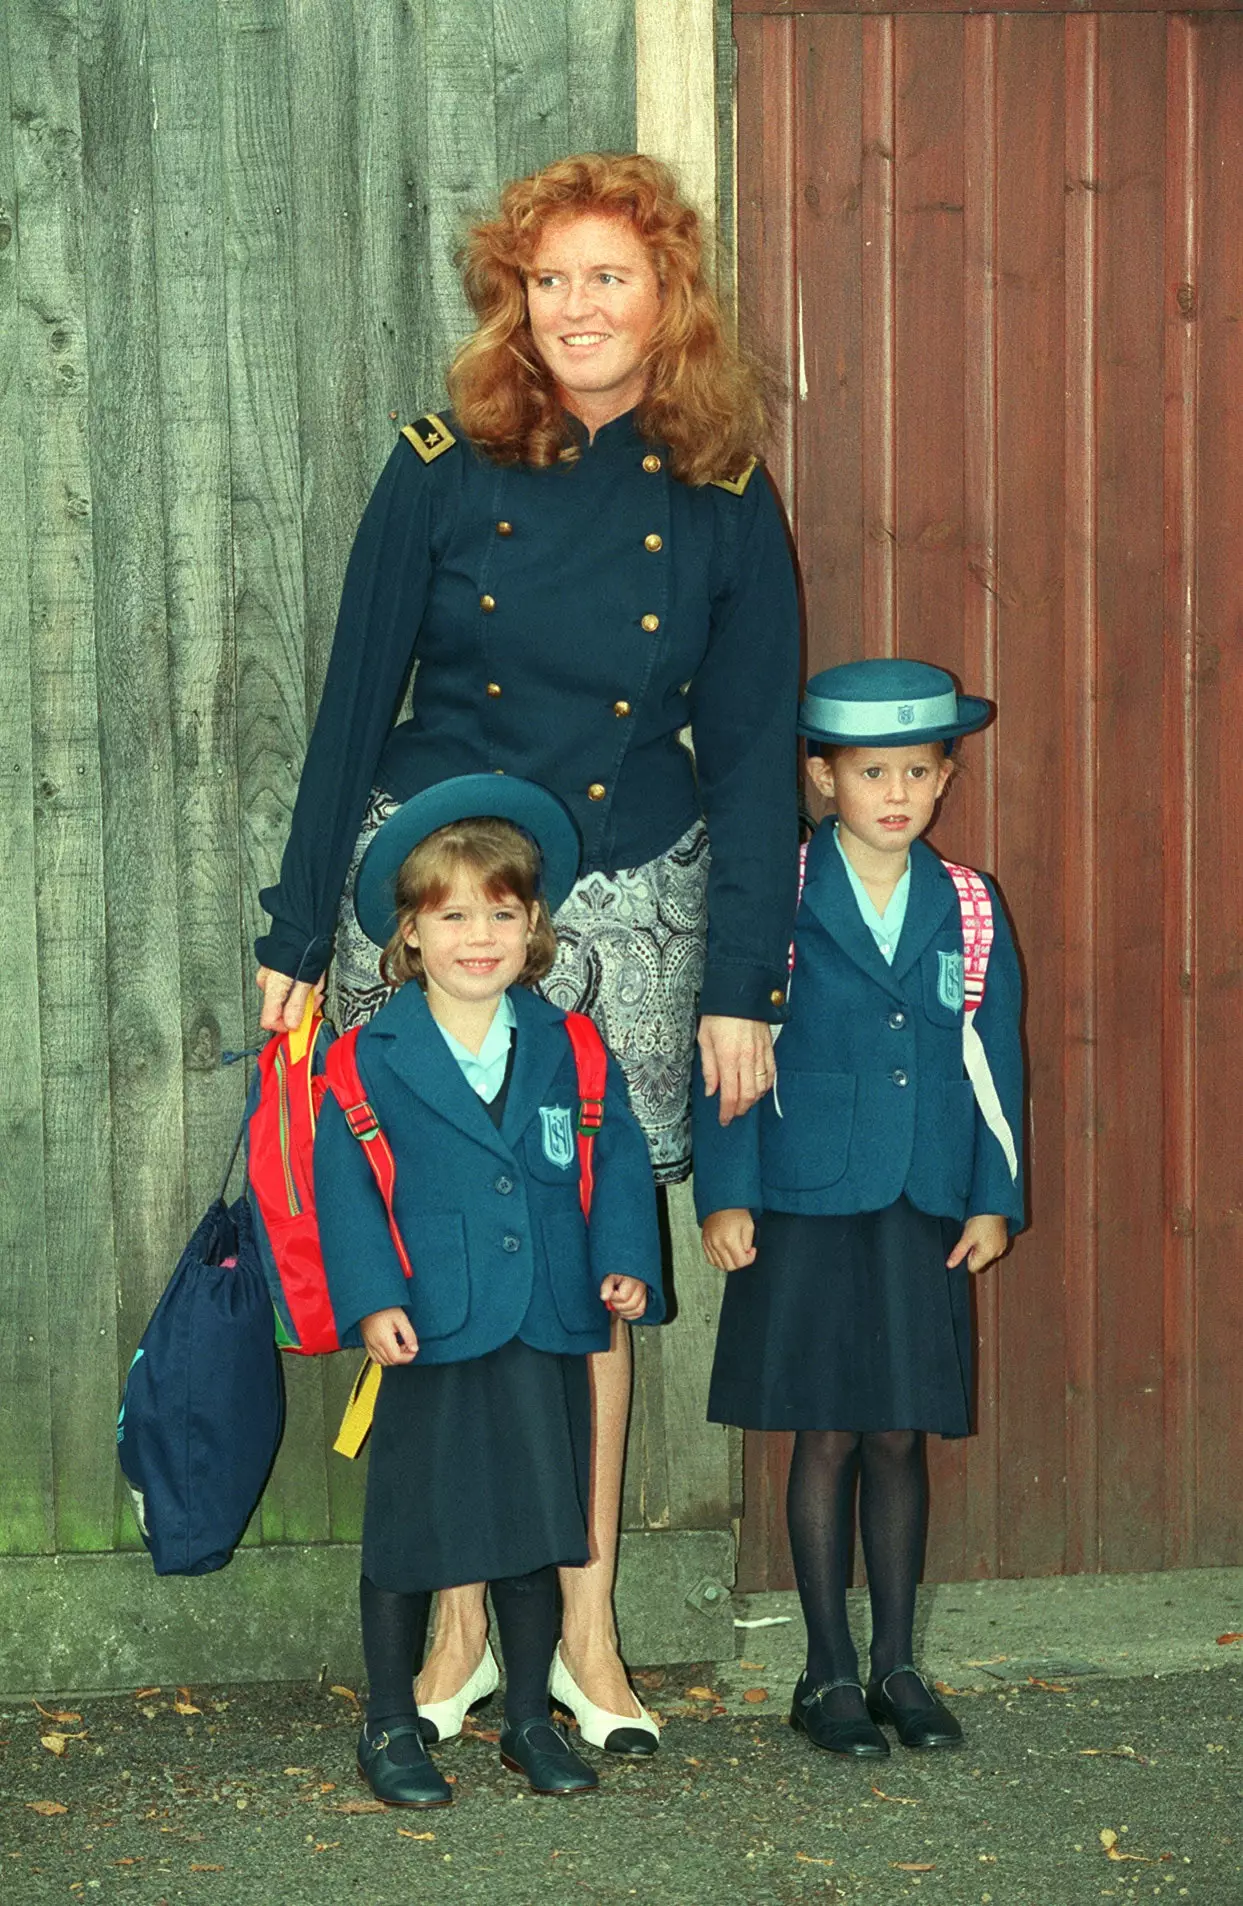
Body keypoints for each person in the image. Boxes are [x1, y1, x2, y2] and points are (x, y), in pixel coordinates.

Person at [254, 152, 800, 1746]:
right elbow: (352, 701)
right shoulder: (439, 463)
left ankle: (581, 1627)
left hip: (634, 894)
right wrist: (301, 925)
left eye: (608, 277)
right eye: (546, 278)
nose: (574, 307)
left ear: (666, 300)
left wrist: (739, 981)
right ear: (515, 294)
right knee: (425, 1254)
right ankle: (444, 1630)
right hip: (447, 885)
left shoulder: (722, 492)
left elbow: (758, 746)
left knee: (590, 1278)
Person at [692, 659, 1025, 1758]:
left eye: (919, 772)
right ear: (823, 776)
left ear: (943, 780)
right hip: (802, 1202)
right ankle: (824, 1669)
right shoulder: (775, 896)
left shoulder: (967, 907)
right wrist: (726, 1191)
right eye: (871, 770)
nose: (897, 793)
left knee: (897, 1433)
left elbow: (993, 1062)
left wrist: (993, 1198)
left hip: (920, 1203)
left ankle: (897, 1664)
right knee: (824, 1433)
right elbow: (732, 1052)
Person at [313, 774, 665, 1804]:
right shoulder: (365, 1059)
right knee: (414, 1529)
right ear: (408, 936)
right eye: (452, 914)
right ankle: (389, 1725)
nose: (479, 935)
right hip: (427, 1323)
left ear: (533, 928)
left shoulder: (571, 1046)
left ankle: (524, 1719)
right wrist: (374, 1297)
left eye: (501, 914)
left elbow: (619, 1158)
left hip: (549, 1316)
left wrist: (625, 1259)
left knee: (533, 1522)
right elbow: (346, 1193)